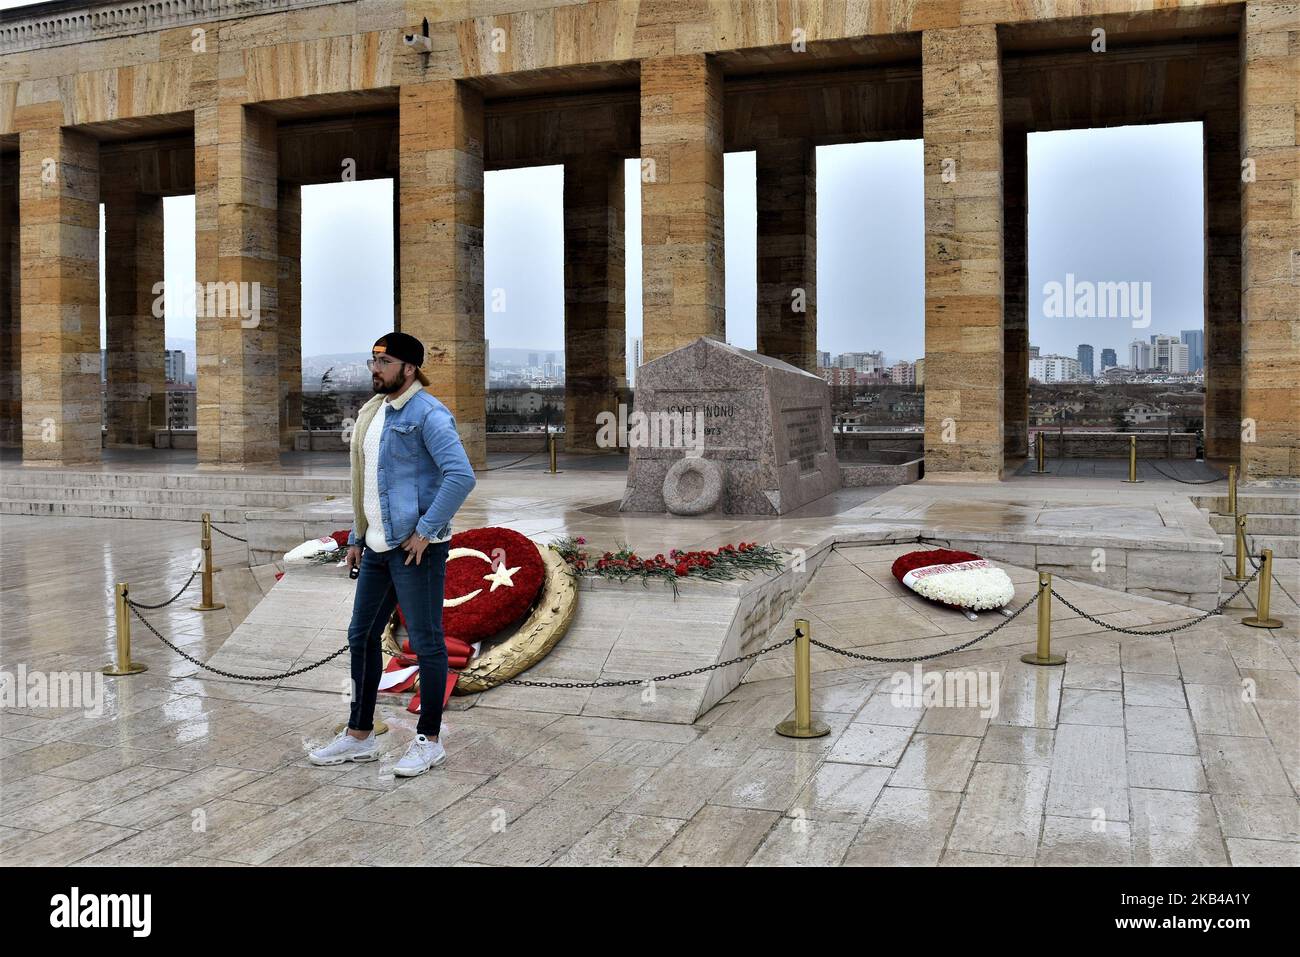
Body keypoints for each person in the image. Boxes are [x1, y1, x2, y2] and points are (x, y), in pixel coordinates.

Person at [309, 332, 476, 777]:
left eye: (383, 361)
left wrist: (427, 531)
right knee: (360, 636)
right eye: (372, 360)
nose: (374, 368)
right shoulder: (372, 412)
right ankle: (359, 736)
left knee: (427, 644)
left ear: (409, 368)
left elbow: (460, 476)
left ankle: (429, 741)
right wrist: (357, 539)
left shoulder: (429, 413)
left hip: (414, 550)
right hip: (378, 550)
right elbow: (364, 484)